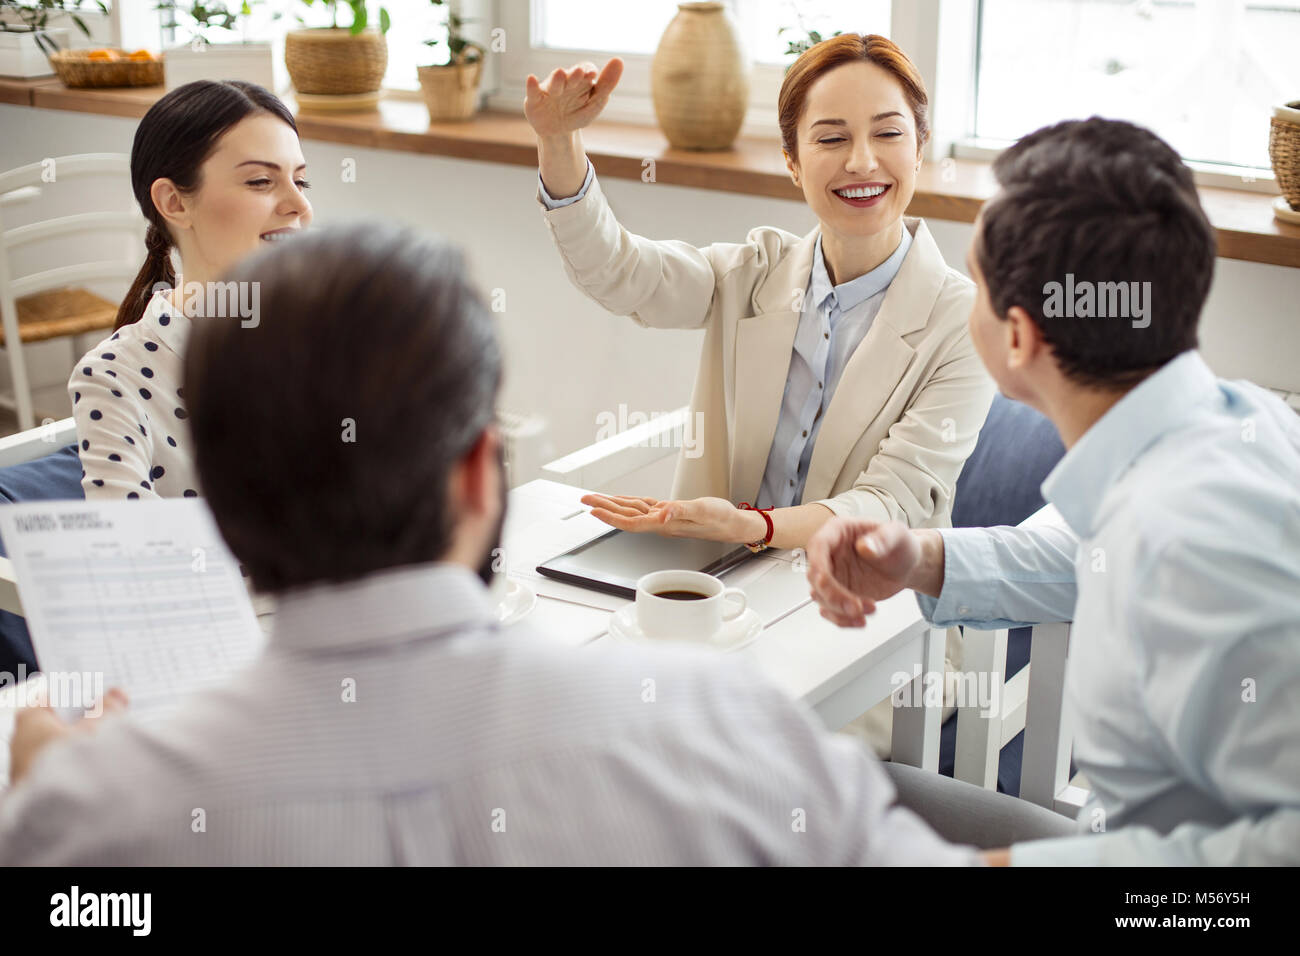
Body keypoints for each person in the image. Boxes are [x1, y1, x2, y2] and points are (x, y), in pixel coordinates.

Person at [0, 221, 1013, 865]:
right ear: (484, 471)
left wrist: (49, 788)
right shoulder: (723, 726)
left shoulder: (102, 810)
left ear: (220, 496)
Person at [805, 117, 1300, 865]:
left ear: (1018, 338)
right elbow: (1083, 551)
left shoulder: (1190, 542)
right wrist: (921, 559)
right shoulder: (1219, 424)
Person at [527, 34, 995, 754]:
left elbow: (890, 506)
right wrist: (561, 143)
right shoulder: (753, 271)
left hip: (871, 623)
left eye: (888, 134)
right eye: (830, 137)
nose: (862, 162)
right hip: (717, 590)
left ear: (920, 147)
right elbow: (623, 272)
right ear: (791, 161)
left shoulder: (960, 324)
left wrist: (753, 526)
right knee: (581, 704)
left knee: (716, 749)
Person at [69, 80, 312, 501]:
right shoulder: (112, 377)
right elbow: (135, 550)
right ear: (175, 203)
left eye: (301, 182)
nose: (299, 206)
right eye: (260, 181)